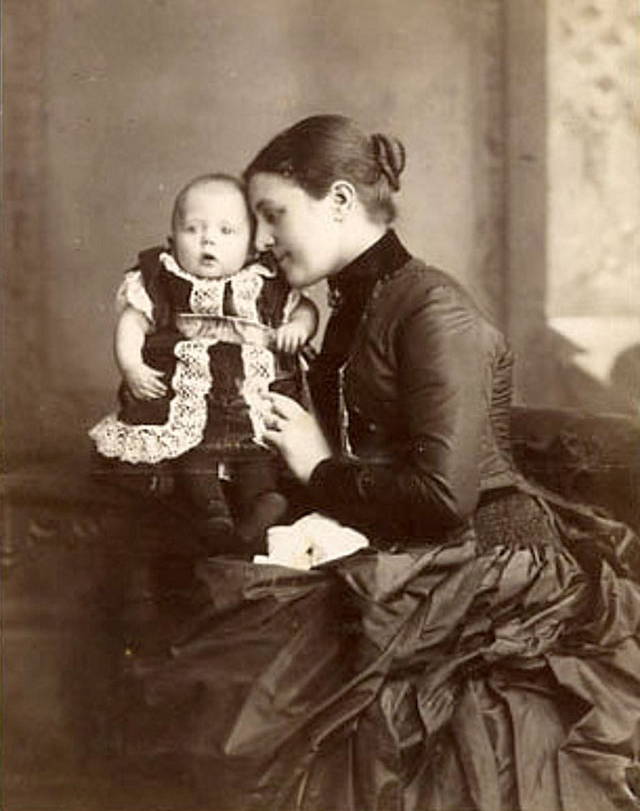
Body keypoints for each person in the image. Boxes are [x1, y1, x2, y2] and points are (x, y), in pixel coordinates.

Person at [129, 119, 640, 811]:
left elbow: (442, 495)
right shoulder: (341, 308)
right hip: (403, 554)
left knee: (389, 738)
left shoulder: (434, 307)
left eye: (274, 215)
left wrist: (316, 468)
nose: (263, 239)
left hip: (486, 565)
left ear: (339, 201)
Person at [90, 173, 318, 555]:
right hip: (190, 395)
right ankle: (214, 515)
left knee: (257, 454)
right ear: (172, 237)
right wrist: (132, 366)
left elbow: (305, 309)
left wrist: (299, 327)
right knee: (192, 456)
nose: (207, 239)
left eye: (226, 230)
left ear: (250, 246)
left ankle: (261, 504)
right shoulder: (163, 279)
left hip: (250, 397)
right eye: (192, 229)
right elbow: (132, 321)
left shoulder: (267, 281)